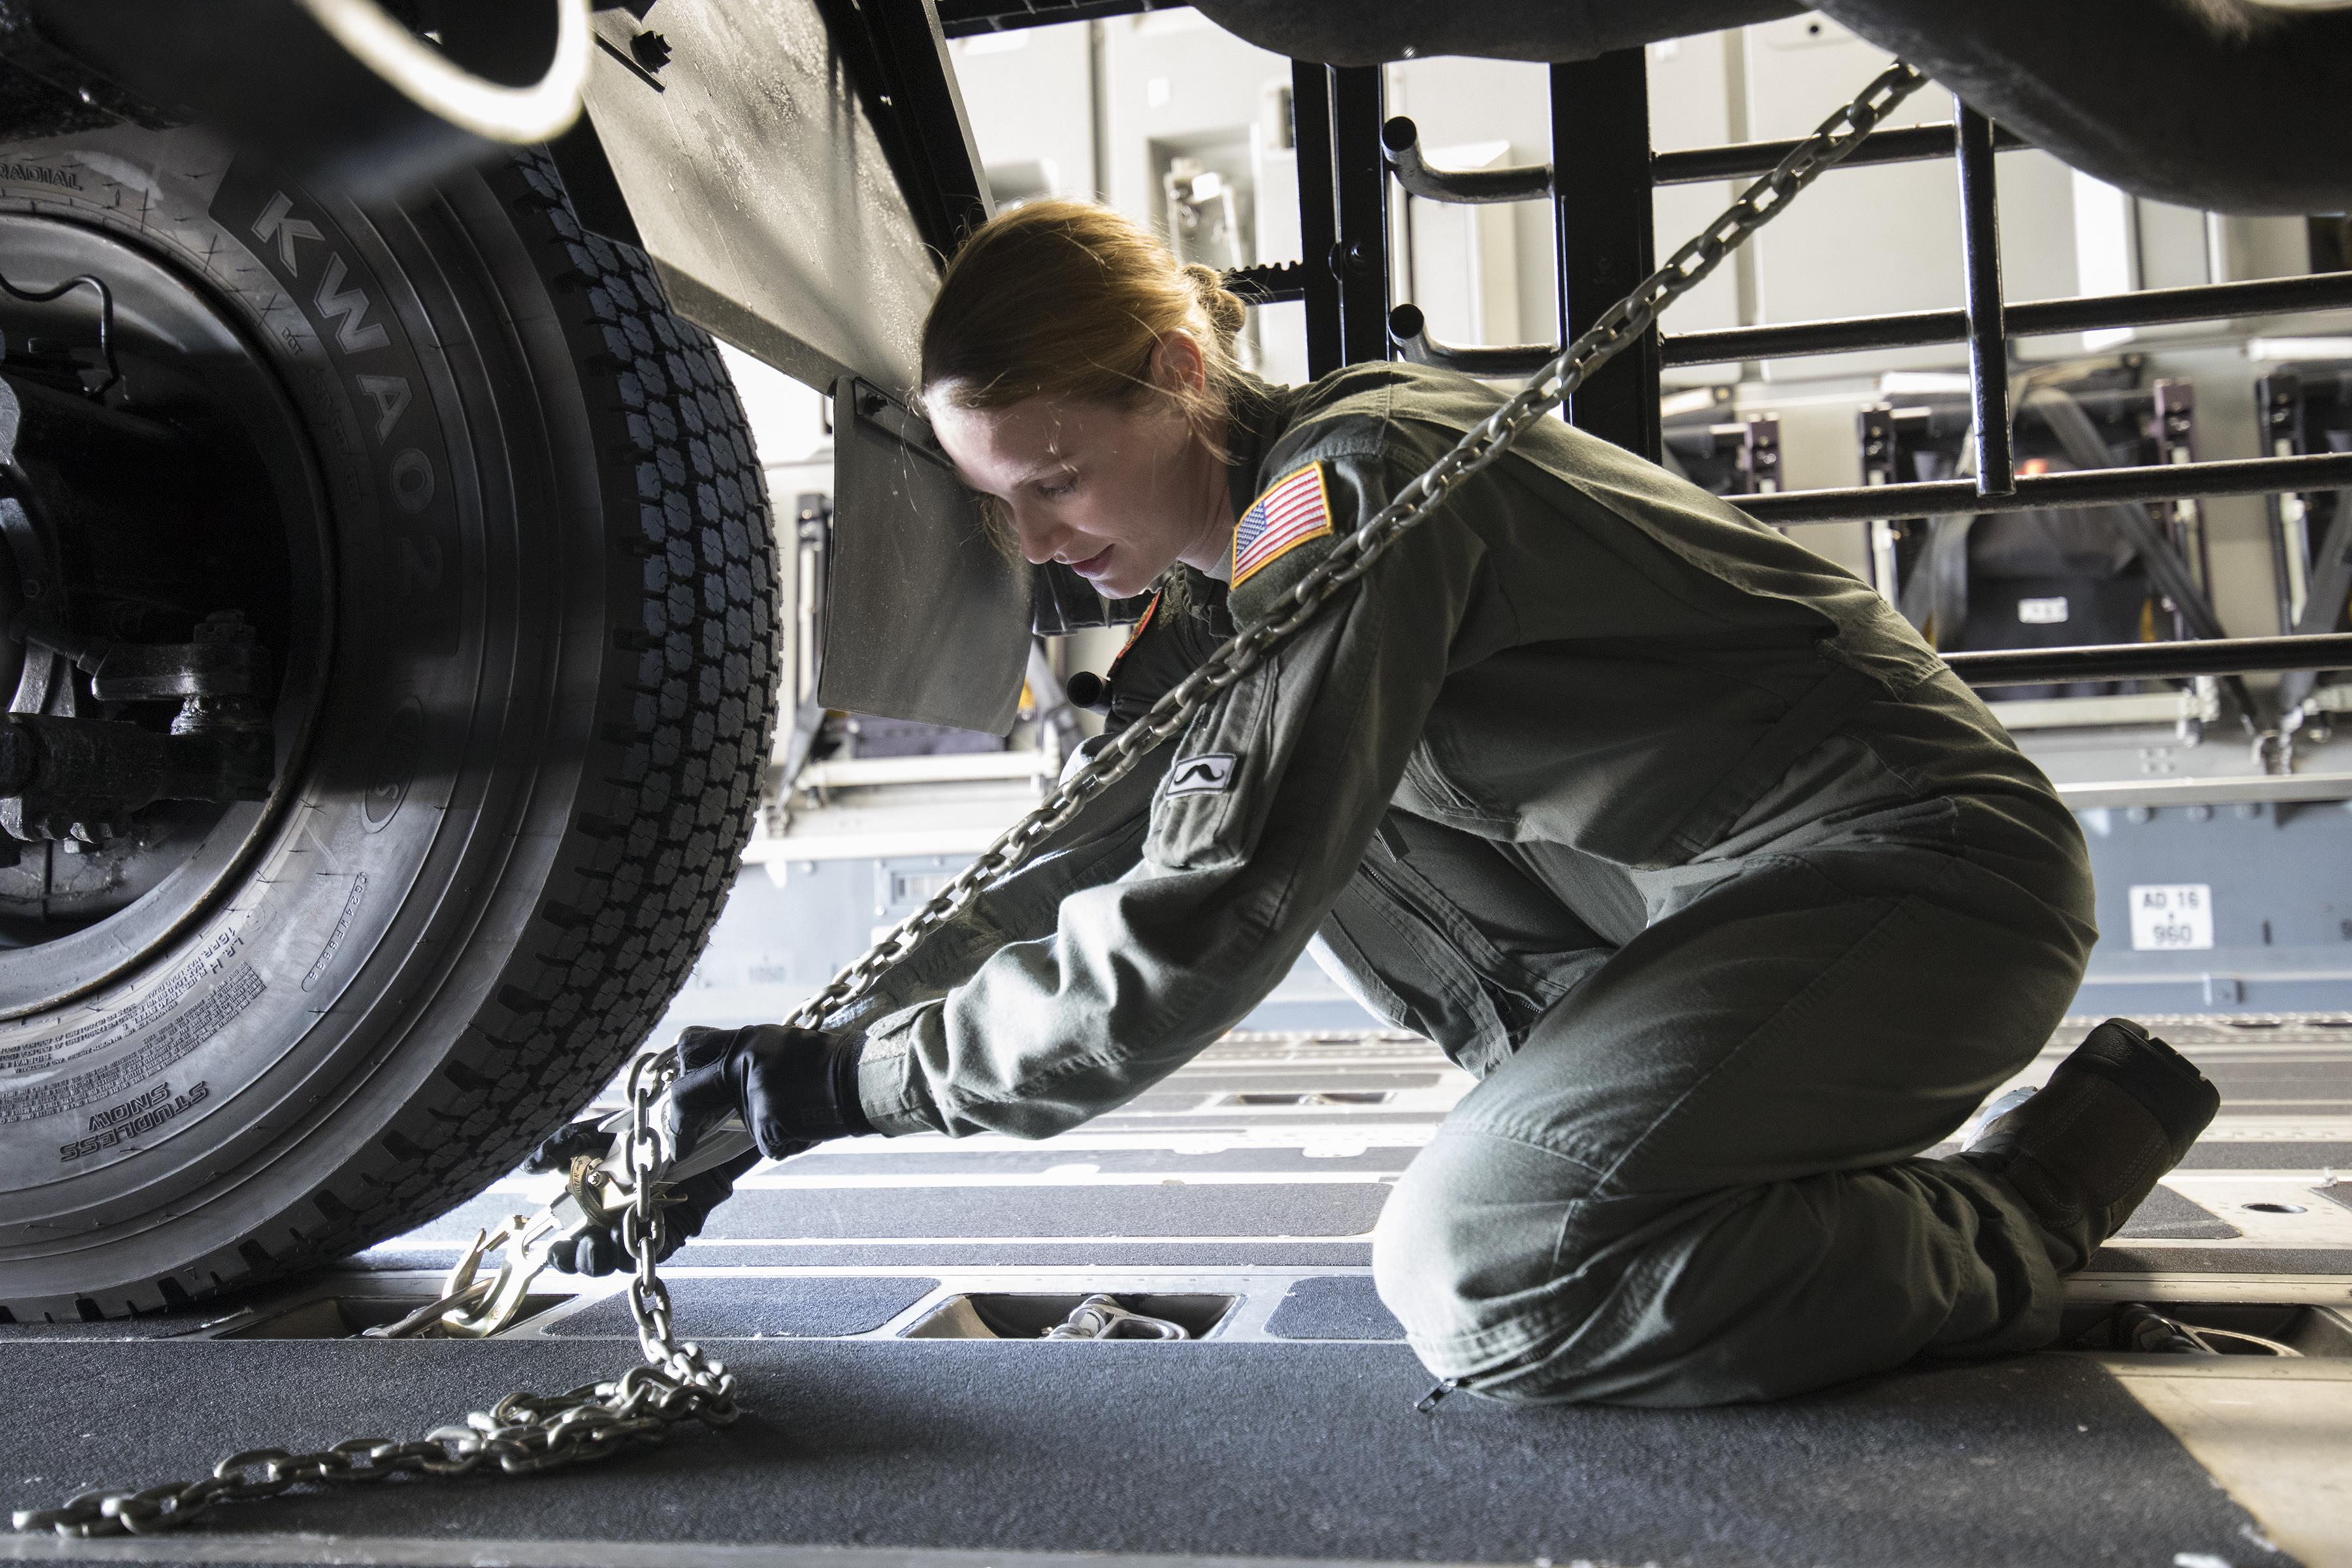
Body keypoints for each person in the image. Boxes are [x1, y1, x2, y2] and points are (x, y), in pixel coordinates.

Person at [539, 200, 2219, 1407]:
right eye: (1004, 506)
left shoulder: (1346, 493)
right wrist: (754, 1078)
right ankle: (1737, 1180)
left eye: (1057, 476)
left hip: (1924, 875)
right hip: (1733, 915)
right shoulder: (1232, 600)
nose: (1038, 540)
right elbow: (1072, 859)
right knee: (1285, 869)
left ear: (1177, 372)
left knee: (1489, 1277)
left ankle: (2012, 1216)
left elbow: (1209, 915)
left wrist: (860, 1085)